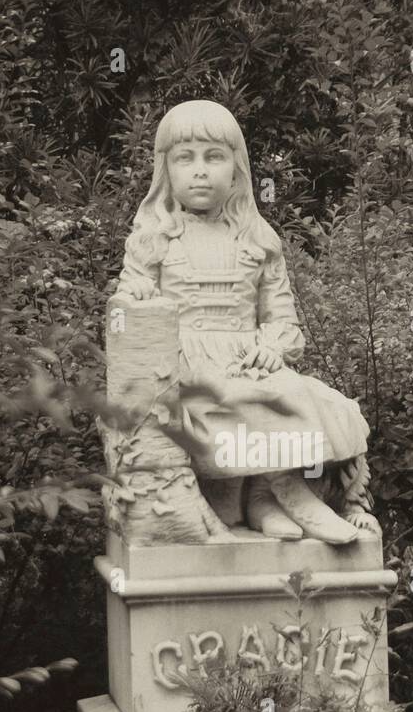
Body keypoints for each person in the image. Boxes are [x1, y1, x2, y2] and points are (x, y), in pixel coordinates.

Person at [116, 99, 378, 543]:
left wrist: (271, 347)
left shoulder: (258, 240)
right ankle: (289, 495)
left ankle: (273, 498)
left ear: (236, 169)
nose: (201, 170)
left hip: (248, 359)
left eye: (214, 157)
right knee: (238, 399)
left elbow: (284, 321)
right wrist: (135, 297)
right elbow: (123, 312)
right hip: (185, 366)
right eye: (186, 158)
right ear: (166, 170)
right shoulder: (152, 239)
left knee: (312, 400)